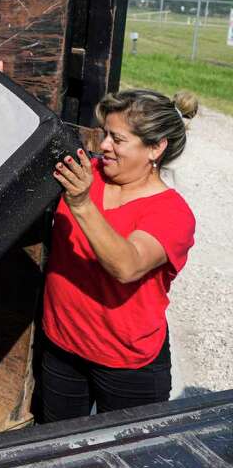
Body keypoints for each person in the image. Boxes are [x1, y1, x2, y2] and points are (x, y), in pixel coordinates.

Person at [39, 89, 199, 422]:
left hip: (127, 364)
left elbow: (126, 266)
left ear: (156, 148)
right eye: (105, 134)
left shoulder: (172, 213)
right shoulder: (87, 174)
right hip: (62, 347)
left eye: (118, 139)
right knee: (56, 454)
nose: (103, 146)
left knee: (126, 465)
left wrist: (81, 204)